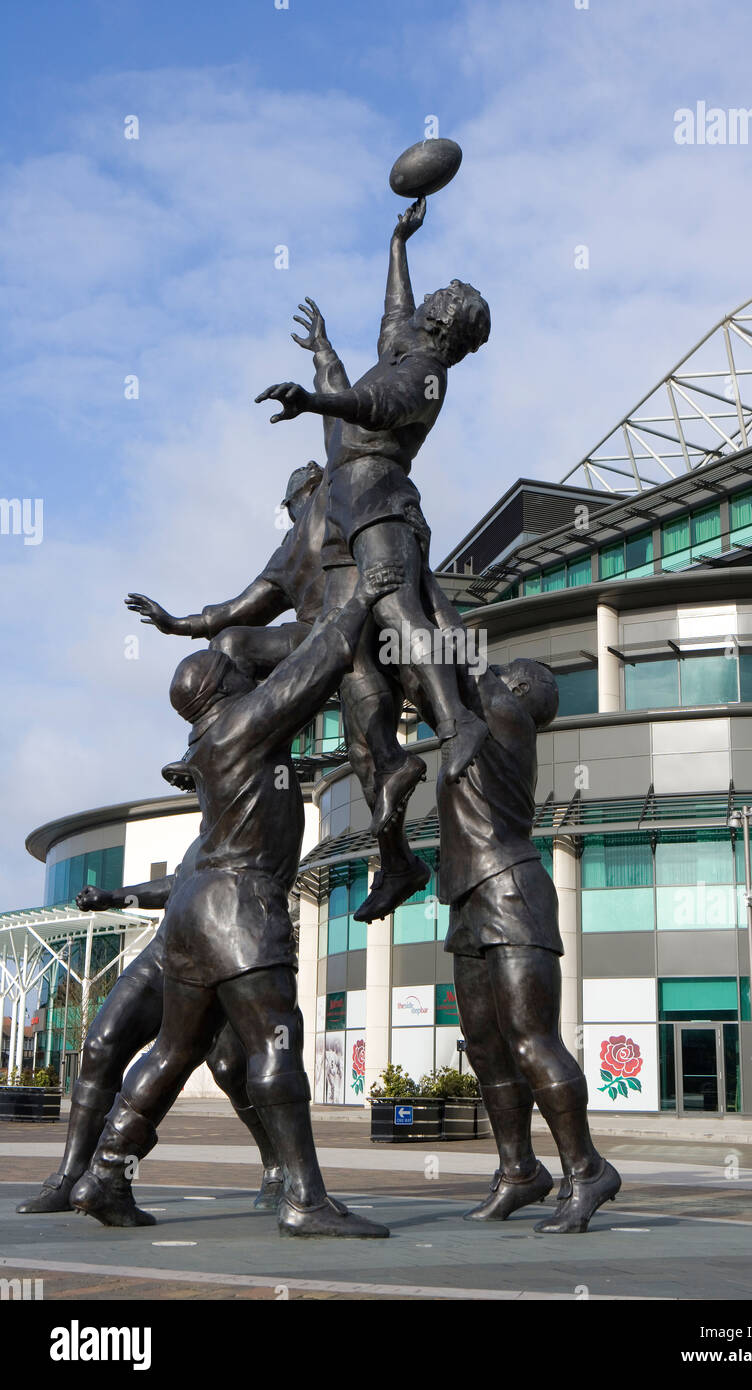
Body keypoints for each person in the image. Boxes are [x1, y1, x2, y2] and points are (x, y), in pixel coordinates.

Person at [71, 565, 402, 1237]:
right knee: (276, 1042)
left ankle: (105, 1174)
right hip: (240, 906)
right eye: (234, 671)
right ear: (223, 688)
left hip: (191, 912)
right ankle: (305, 1200)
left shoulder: (208, 740)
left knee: (172, 1050)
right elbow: (322, 662)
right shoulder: (243, 722)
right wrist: (365, 593)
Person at [125, 301, 432, 922]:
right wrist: (176, 622)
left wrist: (322, 353)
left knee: (360, 735)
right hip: (327, 638)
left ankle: (390, 850)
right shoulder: (298, 539)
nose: (300, 505)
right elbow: (241, 606)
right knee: (248, 653)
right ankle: (238, 746)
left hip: (354, 630)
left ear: (305, 490)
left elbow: (343, 400)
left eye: (299, 495)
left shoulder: (338, 494)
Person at [255, 196, 491, 795]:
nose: (439, 292)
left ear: (449, 320)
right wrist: (398, 244)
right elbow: (396, 310)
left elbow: (373, 406)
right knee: (362, 634)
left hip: (383, 501)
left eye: (449, 292)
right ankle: (391, 762)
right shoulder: (407, 348)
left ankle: (457, 721)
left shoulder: (425, 376)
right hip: (355, 506)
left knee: (394, 609)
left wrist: (314, 401)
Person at [426, 589, 621, 1233]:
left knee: (532, 1040)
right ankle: (518, 1170)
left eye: (502, 671)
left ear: (520, 688)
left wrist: (423, 582)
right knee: (484, 1043)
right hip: (470, 898)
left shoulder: (506, 716)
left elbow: (447, 646)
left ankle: (587, 1170)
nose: (491, 673)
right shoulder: (479, 726)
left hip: (514, 893)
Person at [16, 845, 282, 1215]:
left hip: (217, 959)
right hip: (164, 953)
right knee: (100, 1046)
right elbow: (177, 884)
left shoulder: (255, 814)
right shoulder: (207, 828)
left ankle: (277, 1166)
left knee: (230, 1070)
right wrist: (113, 897)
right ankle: (71, 1176)